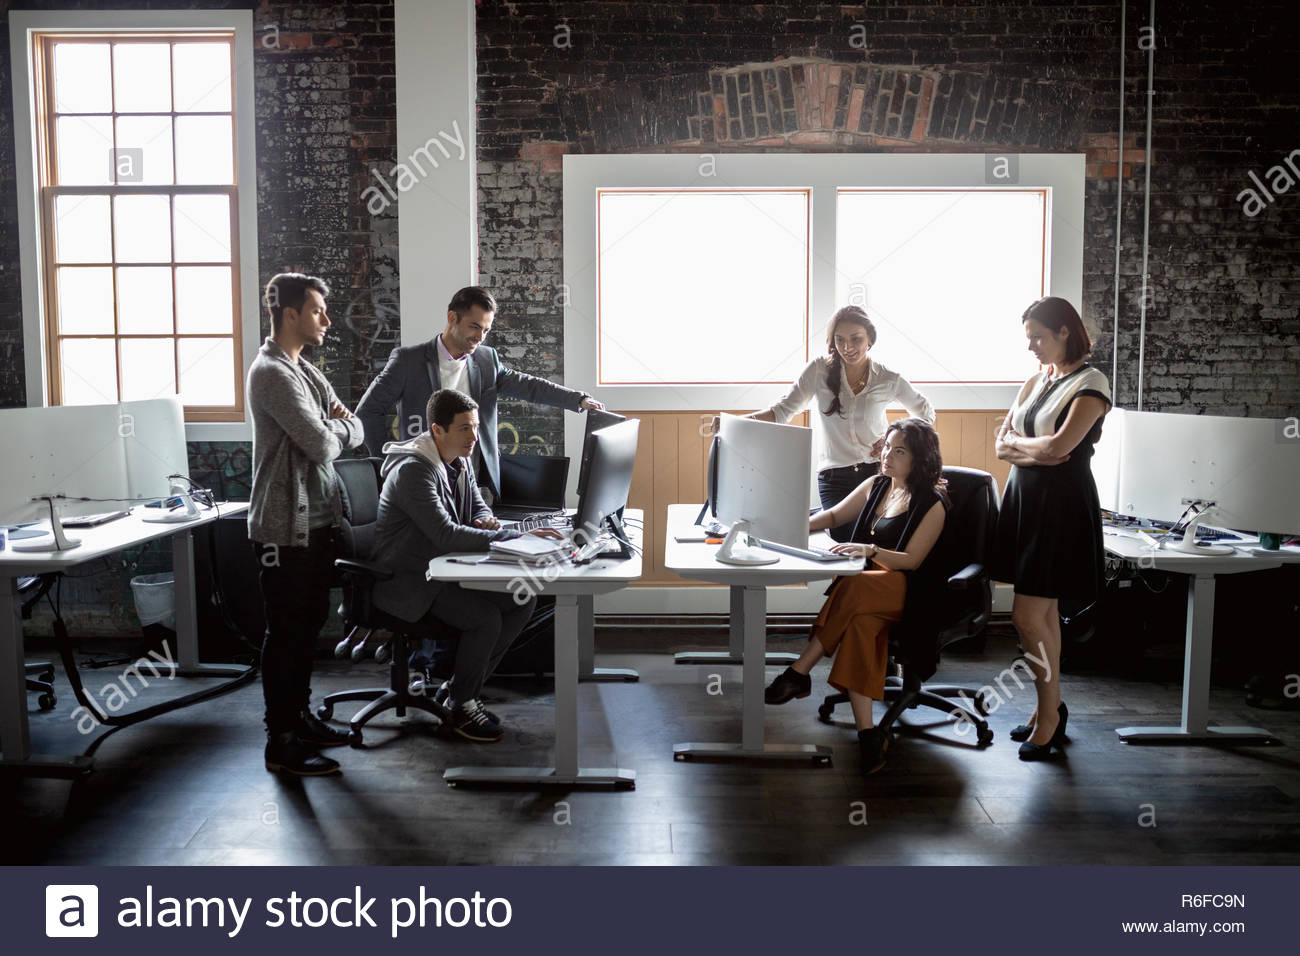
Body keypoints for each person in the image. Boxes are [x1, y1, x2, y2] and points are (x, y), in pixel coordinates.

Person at [371, 388, 564, 743]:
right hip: (411, 580)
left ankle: (460, 690)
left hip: (445, 569)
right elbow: (445, 534)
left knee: (523, 599)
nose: (474, 437)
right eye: (464, 429)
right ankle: (462, 707)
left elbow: (477, 508)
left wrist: (487, 520)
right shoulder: (415, 470)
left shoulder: (458, 461)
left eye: (475, 427)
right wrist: (509, 535)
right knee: (484, 618)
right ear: (437, 430)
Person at [764, 418, 948, 775]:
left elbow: (912, 561)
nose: (887, 457)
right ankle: (869, 735)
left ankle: (800, 670)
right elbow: (832, 514)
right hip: (869, 598)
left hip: (912, 594)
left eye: (900, 451)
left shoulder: (933, 503)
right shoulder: (877, 485)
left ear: (920, 458)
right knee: (862, 625)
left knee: (855, 584)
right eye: (887, 447)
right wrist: (786, 527)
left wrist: (869, 550)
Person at [247, 272, 362, 776]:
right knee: (287, 632)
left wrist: (334, 426)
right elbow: (321, 444)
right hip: (282, 529)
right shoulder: (271, 372)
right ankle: (282, 740)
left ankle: (302, 718)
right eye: (317, 310)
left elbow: (353, 424)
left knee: (309, 625)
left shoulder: (306, 371)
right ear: (289, 314)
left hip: (317, 523)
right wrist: (335, 427)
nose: (326, 320)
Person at [991, 296, 1111, 761]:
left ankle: (1048, 715)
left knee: (1026, 616)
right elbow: (1003, 445)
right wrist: (1032, 451)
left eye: (1039, 337)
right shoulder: (1037, 379)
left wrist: (1030, 447)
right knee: (1043, 616)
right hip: (1025, 499)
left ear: (1066, 332)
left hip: (1060, 507)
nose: (1033, 348)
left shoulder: (1092, 382)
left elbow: (1064, 448)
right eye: (1028, 340)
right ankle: (1050, 710)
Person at [356, 285, 605, 502]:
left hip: (476, 480)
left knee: (481, 548)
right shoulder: (408, 361)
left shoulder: (487, 359)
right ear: (452, 318)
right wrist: (388, 461)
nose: (480, 337)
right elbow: (368, 412)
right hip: (424, 475)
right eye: (474, 326)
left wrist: (578, 399)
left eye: (486, 330)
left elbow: (528, 385)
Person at [712, 305, 934, 541]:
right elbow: (782, 411)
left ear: (870, 339)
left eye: (855, 339)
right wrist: (732, 423)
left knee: (872, 538)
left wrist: (890, 438)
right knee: (845, 540)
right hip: (834, 477)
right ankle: (814, 524)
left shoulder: (888, 379)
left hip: (877, 473)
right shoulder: (818, 370)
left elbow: (926, 413)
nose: (847, 347)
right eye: (840, 340)